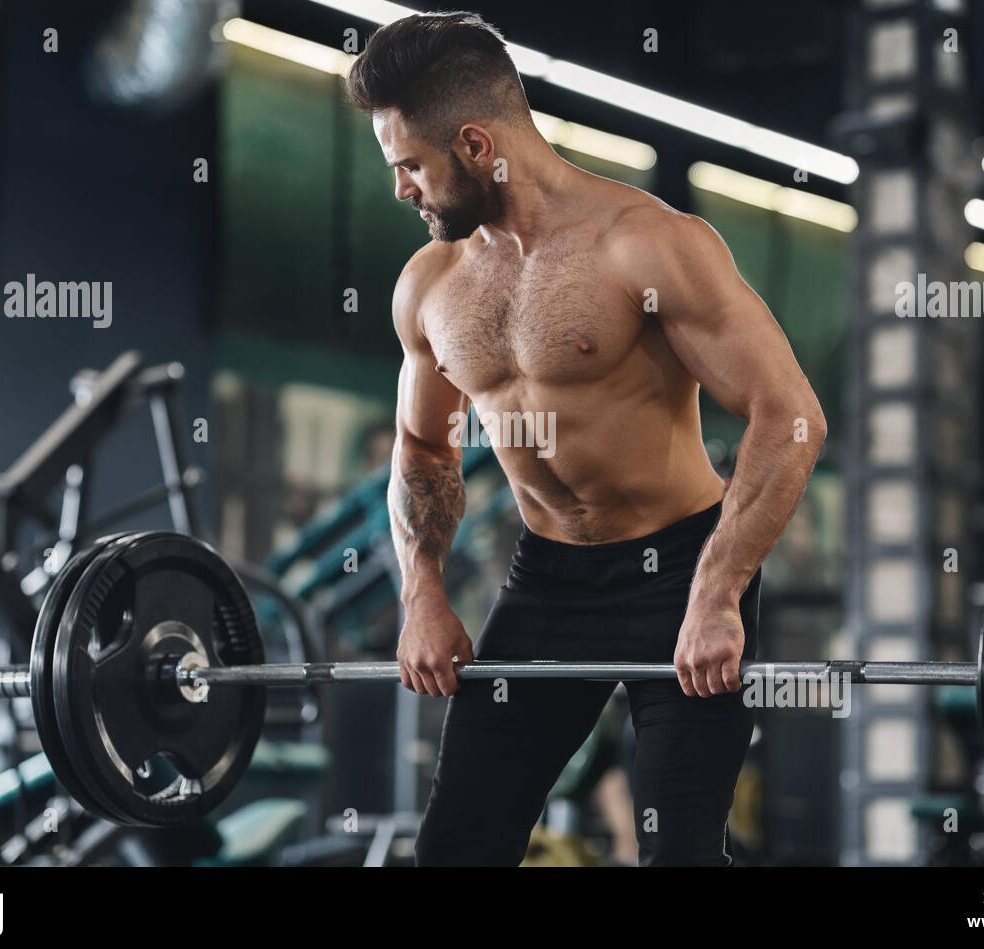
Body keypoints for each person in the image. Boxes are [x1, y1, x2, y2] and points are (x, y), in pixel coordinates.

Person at [346, 10, 826, 866]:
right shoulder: (430, 284)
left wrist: (719, 591)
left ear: (475, 144)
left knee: (679, 852)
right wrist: (423, 594)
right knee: (456, 847)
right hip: (550, 579)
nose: (401, 189)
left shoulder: (647, 246)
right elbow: (424, 449)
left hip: (683, 569)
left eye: (411, 165)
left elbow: (789, 418)